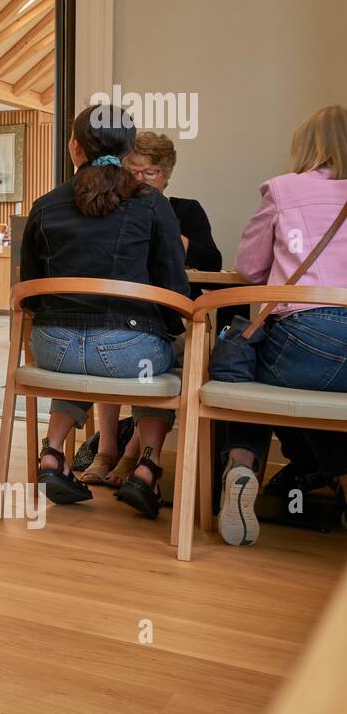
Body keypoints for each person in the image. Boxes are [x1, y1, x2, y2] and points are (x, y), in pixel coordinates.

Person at [18, 103, 190, 519]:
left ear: (75, 148)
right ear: (129, 148)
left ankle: (53, 453)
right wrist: (167, 330)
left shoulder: (43, 205)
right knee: (172, 349)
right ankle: (147, 466)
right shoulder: (151, 203)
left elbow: (31, 295)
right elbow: (175, 288)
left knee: (74, 345)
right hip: (128, 354)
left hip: (52, 350)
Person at [215, 105, 347, 547]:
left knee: (243, 364)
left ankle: (240, 465)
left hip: (307, 339)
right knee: (323, 397)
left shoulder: (283, 190)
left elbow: (251, 269)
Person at [81, 130, 223, 486]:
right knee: (111, 335)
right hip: (119, 320)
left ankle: (131, 454)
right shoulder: (112, 208)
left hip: (167, 321)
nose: (141, 181)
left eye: (150, 173)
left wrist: (172, 238)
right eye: (133, 173)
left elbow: (212, 259)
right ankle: (107, 449)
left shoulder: (184, 210)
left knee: (154, 340)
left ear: (167, 174)